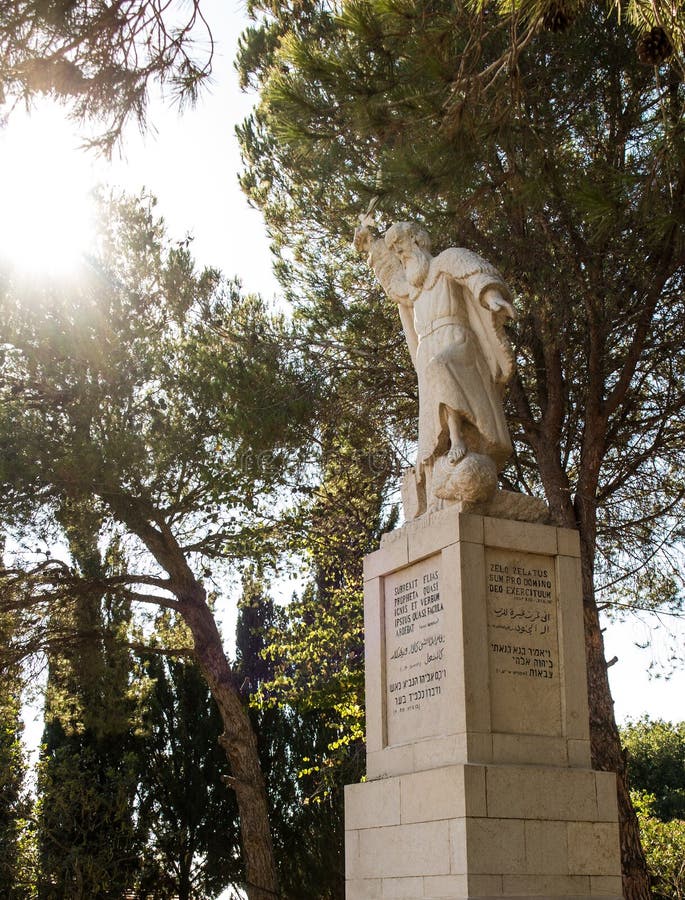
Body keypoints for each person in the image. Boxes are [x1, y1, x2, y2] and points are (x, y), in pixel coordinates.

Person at [354, 218, 516, 508]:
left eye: (400, 244)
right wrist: (371, 244)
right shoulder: (412, 287)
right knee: (432, 385)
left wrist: (491, 297)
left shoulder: (446, 261)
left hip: (458, 341)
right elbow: (392, 282)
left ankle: (458, 439)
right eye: (394, 248)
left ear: (417, 240)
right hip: (428, 348)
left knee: (440, 367)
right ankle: (439, 471)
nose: (398, 252)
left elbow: (475, 273)